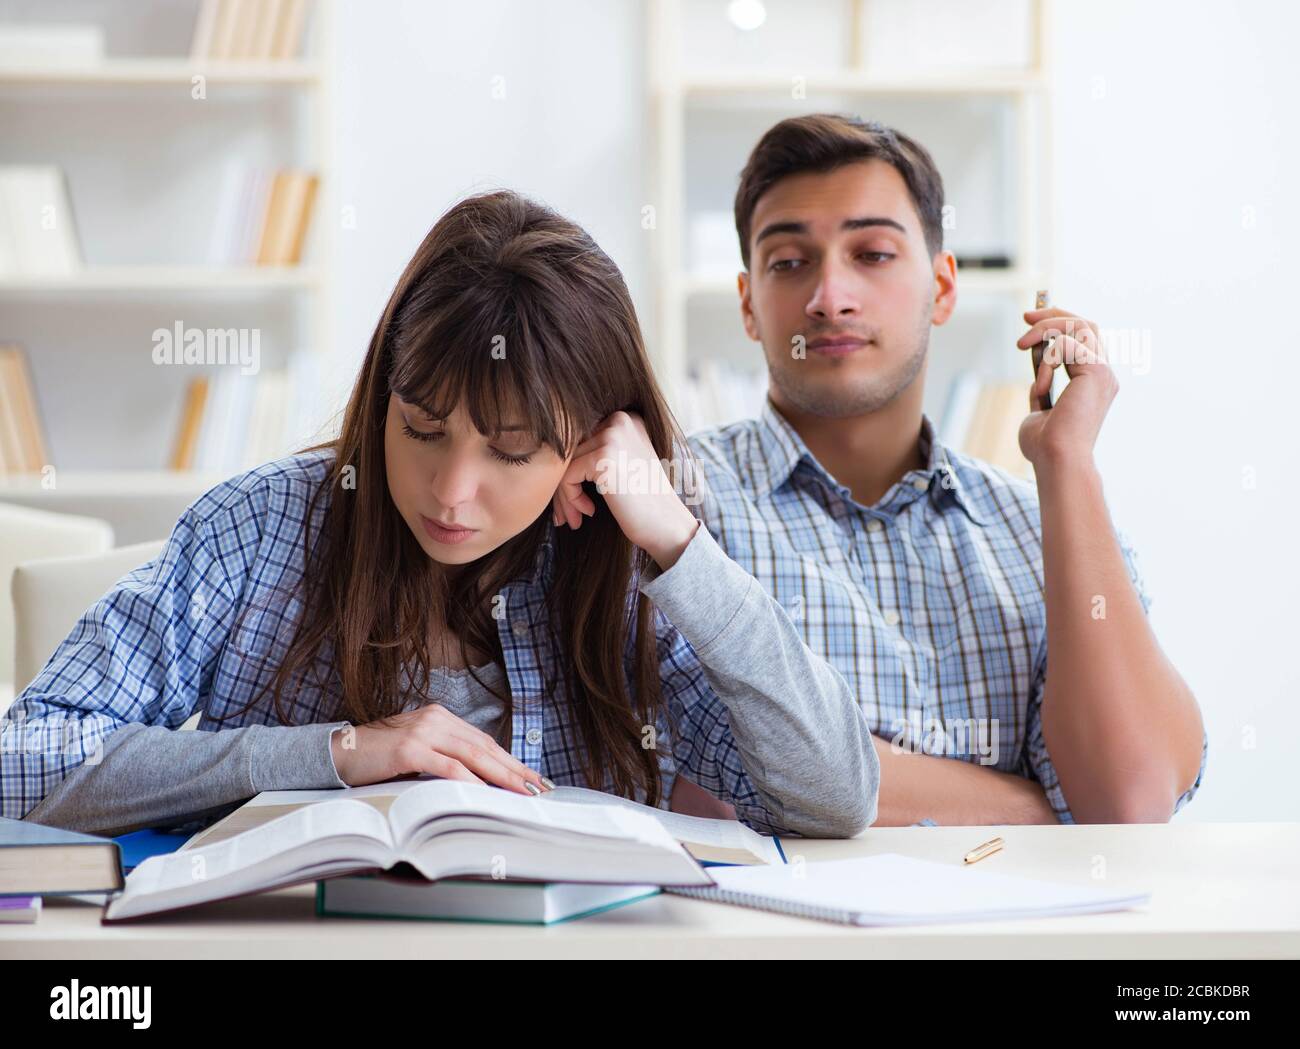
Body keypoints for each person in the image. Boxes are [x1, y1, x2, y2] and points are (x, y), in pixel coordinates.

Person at [0, 189, 878, 840]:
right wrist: (332, 754)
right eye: (422, 428)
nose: (451, 492)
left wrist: (678, 541)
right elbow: (23, 763)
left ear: (590, 444)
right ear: (384, 392)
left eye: (510, 450)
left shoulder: (635, 563)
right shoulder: (262, 527)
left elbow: (833, 798)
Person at [669, 114, 1207, 826]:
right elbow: (698, 784)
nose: (831, 297)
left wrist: (1067, 463)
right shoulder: (672, 511)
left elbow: (1130, 804)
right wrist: (1041, 811)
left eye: (874, 254)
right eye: (790, 261)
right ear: (748, 303)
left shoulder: (1037, 524)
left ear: (944, 289)